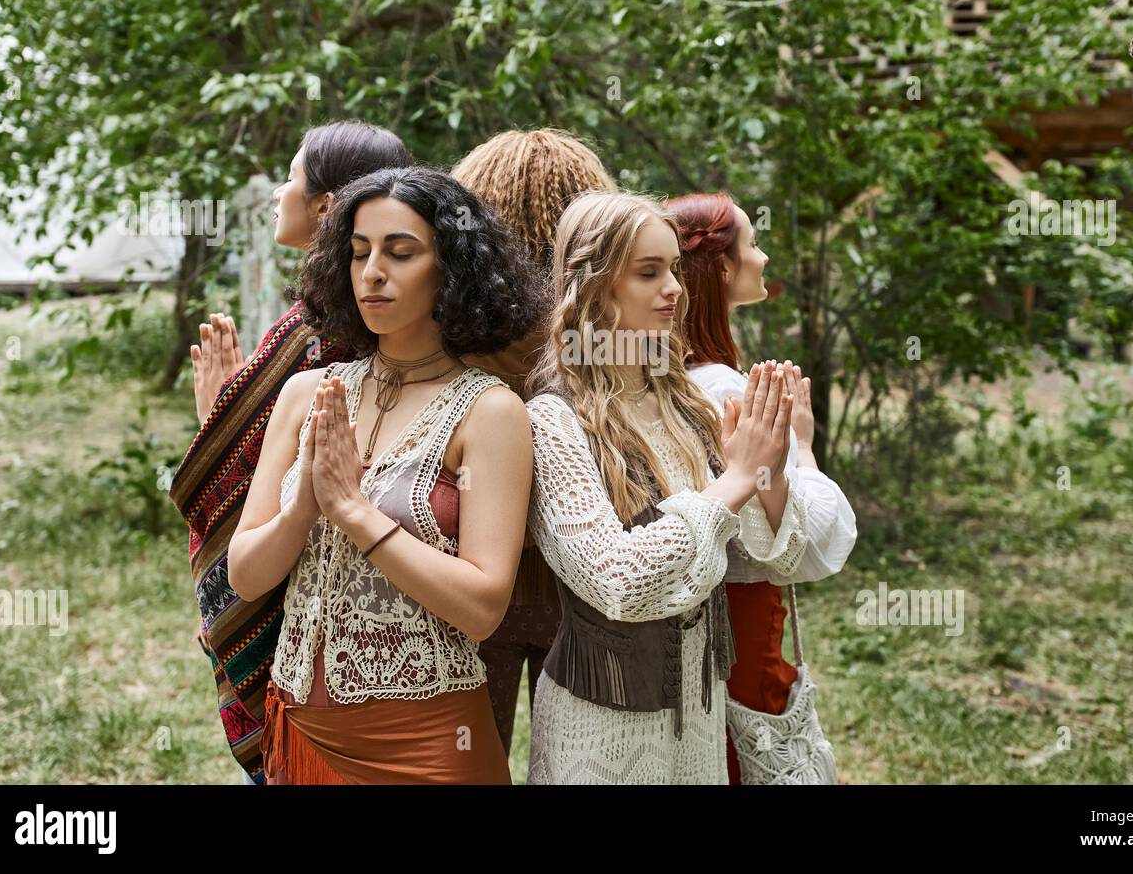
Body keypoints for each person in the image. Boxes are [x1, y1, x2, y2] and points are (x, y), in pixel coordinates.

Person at [227, 165, 546, 783]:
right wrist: (304, 510)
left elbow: (483, 608)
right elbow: (245, 575)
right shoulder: (306, 394)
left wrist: (354, 511)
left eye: (400, 253)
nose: (372, 272)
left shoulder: (489, 411)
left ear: (452, 271)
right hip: (301, 735)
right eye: (358, 253)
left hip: (428, 745)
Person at [523, 190, 808, 783]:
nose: (675, 288)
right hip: (601, 728)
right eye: (649, 273)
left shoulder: (684, 403)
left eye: (675, 269)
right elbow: (619, 583)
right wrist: (733, 482)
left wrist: (770, 468)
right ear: (595, 290)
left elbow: (756, 551)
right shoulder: (553, 421)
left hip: (699, 715)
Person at [168, 121, 411, 782]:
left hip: (308, 619)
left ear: (327, 205)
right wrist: (222, 418)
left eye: (293, 176)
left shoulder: (331, 338)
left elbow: (304, 484)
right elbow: (270, 461)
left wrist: (225, 429)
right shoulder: (324, 322)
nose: (281, 190)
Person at [666, 191, 858, 784]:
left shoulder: (673, 376)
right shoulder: (724, 388)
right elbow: (809, 539)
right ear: (721, 266)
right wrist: (803, 445)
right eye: (752, 243)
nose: (765, 257)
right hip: (742, 625)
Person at [451, 128, 616, 762]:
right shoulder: (597, 326)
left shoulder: (453, 325)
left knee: (472, 759)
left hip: (469, 583)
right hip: (574, 584)